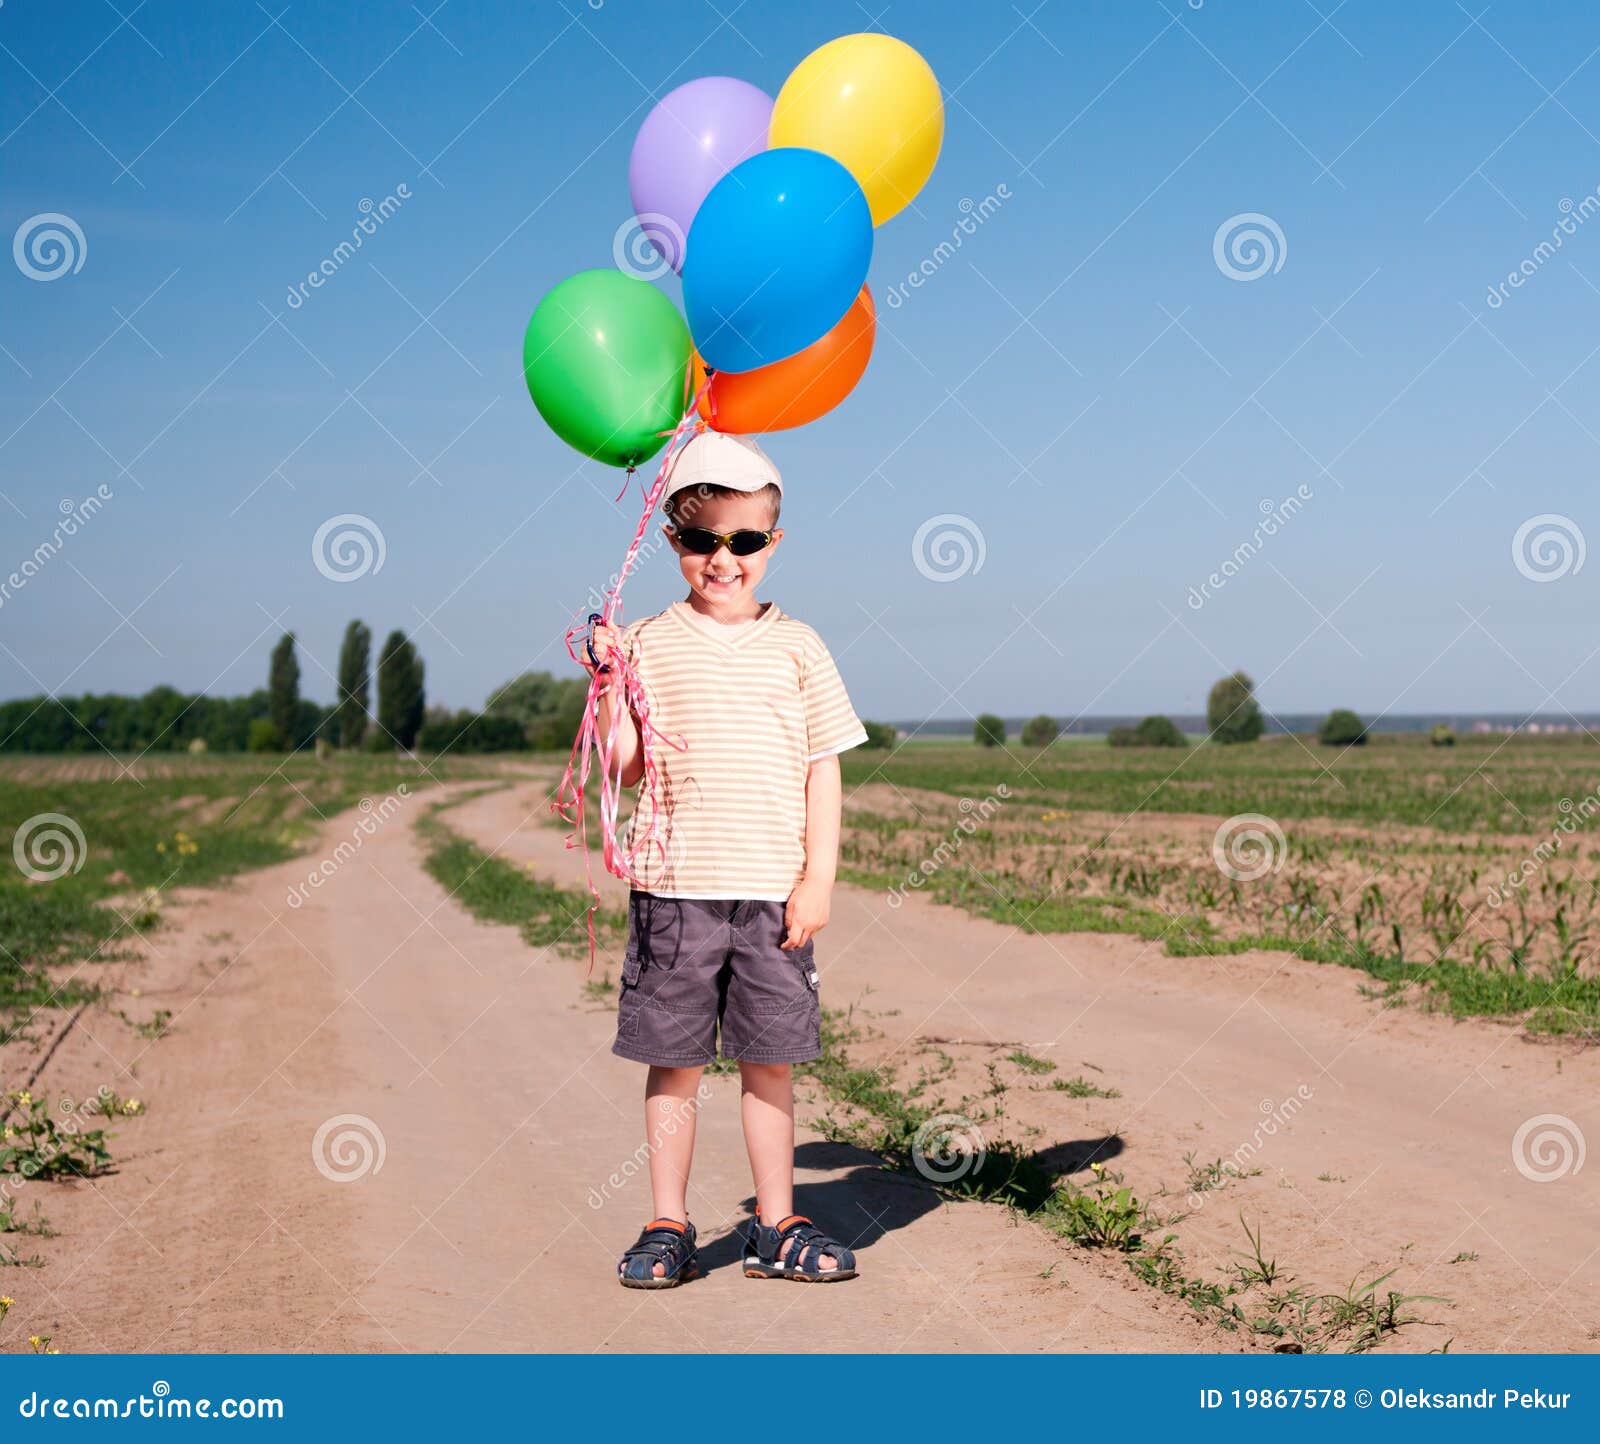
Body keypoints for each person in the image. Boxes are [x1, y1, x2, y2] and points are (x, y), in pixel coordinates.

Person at [580, 429, 868, 1288]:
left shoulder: (801, 647)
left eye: (744, 541)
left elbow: (824, 769)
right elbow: (625, 763)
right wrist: (608, 683)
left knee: (767, 1061)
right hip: (674, 890)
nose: (723, 558)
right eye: (703, 540)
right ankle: (668, 1221)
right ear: (673, 540)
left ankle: (776, 1222)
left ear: (772, 545)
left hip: (772, 898)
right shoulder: (647, 642)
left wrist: (817, 879)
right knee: (674, 1063)